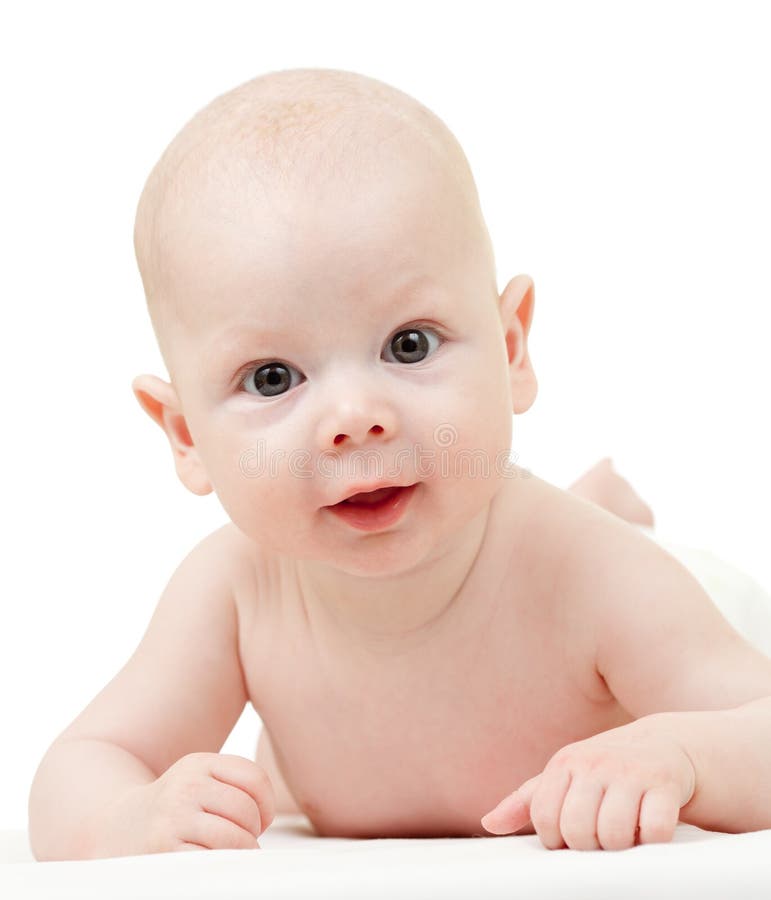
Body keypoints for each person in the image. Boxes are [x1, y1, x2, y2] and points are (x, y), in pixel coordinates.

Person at [27, 68, 771, 860]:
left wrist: (680, 759)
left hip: (697, 607)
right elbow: (81, 769)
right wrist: (128, 820)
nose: (353, 420)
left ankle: (619, 510)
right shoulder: (237, 591)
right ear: (185, 434)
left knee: (664, 576)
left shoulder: (590, 575)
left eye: (407, 345)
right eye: (272, 377)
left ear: (510, 349)